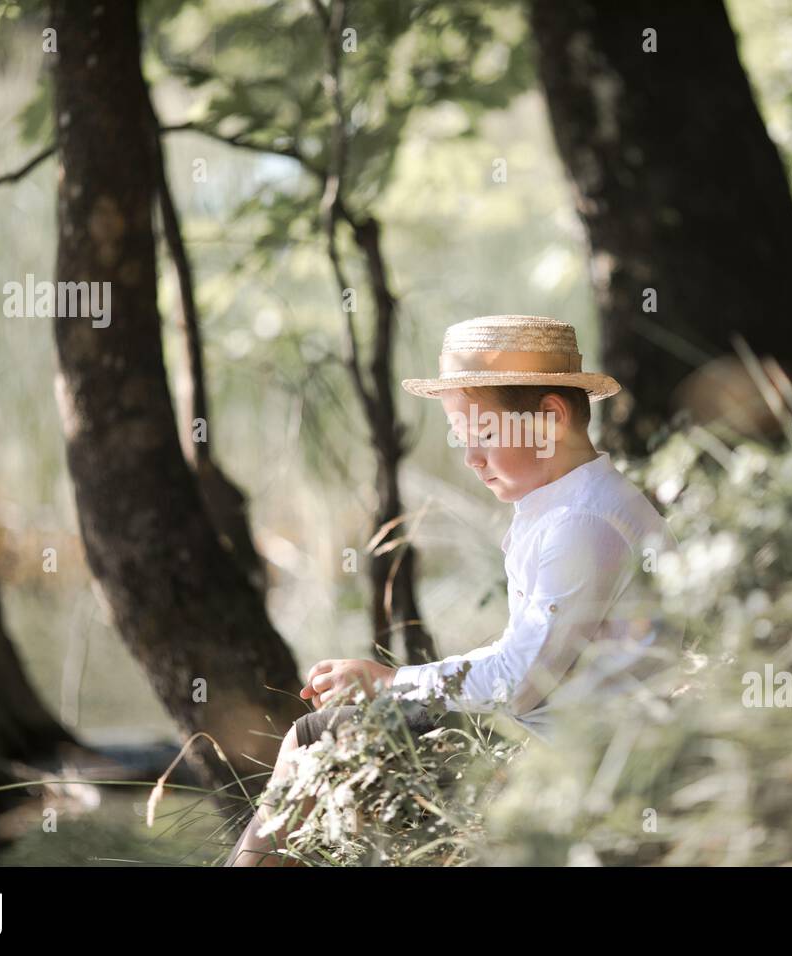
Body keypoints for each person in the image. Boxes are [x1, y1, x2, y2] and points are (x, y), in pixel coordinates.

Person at [225, 315, 678, 866]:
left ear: (552, 419)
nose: (471, 458)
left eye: (485, 435)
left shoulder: (583, 522)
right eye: (462, 439)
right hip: (556, 749)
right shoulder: (567, 507)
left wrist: (393, 683)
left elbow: (521, 679)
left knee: (319, 740)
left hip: (582, 771)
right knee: (317, 739)